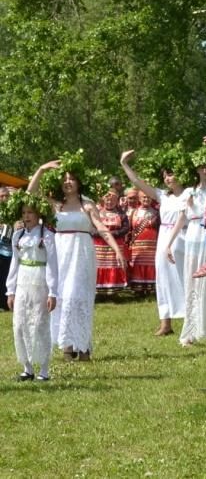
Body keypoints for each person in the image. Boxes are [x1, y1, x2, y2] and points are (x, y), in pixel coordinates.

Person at [28, 159, 126, 361]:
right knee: (62, 295)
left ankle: (83, 347)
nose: (68, 182)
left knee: (79, 296)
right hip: (60, 252)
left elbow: (101, 228)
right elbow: (30, 193)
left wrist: (116, 249)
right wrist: (41, 169)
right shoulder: (55, 203)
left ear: (79, 182)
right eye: (64, 179)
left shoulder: (87, 204)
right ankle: (67, 346)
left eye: (72, 178)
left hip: (82, 253)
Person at [120, 150, 188, 337]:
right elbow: (137, 183)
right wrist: (125, 164)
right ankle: (165, 322)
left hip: (183, 237)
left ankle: (189, 321)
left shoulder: (190, 193)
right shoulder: (162, 195)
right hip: (164, 237)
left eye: (171, 174)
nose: (167, 178)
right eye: (165, 175)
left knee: (183, 278)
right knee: (163, 279)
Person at [5, 194, 58, 381]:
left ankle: (44, 369)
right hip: (22, 281)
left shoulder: (47, 235)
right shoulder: (18, 235)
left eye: (31, 212)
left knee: (40, 323)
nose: (27, 216)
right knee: (20, 323)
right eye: (24, 212)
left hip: (40, 280)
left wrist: (52, 292)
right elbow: (14, 262)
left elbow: (52, 264)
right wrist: (10, 290)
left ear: (38, 214)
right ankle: (27, 367)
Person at [166, 153, 206, 346]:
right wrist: (169, 243)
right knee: (191, 281)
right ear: (196, 170)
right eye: (203, 167)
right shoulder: (189, 192)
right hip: (193, 236)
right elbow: (181, 219)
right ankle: (190, 330)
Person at [94, 189, 130, 294]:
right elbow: (91, 228)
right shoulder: (97, 213)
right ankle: (98, 289)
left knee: (114, 264)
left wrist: (115, 234)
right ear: (103, 200)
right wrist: (102, 234)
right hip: (99, 244)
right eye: (107, 200)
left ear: (116, 201)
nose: (109, 202)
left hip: (116, 243)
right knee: (99, 265)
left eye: (112, 200)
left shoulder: (121, 214)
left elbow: (126, 228)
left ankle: (113, 289)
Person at [127, 189, 158, 295]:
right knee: (138, 264)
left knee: (151, 264)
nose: (146, 199)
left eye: (148, 197)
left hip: (152, 243)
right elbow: (130, 229)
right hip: (138, 243)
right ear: (139, 199)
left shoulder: (156, 212)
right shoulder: (134, 212)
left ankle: (150, 288)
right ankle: (138, 289)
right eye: (144, 197)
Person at [0, 187, 14, 311]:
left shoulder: (13, 211)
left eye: (6, 195)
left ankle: (5, 304)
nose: (4, 198)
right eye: (1, 196)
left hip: (10, 251)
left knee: (6, 277)